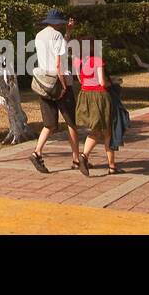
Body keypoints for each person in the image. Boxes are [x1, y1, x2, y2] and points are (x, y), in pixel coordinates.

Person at [29, 9, 81, 173]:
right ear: (57, 22)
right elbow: (59, 63)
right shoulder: (56, 36)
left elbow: (57, 50)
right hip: (59, 82)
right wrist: (64, 85)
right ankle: (76, 159)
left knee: (49, 124)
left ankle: (37, 152)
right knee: (71, 123)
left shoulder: (39, 36)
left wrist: (68, 32)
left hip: (45, 82)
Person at [74, 36, 118, 176]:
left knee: (97, 129)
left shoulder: (77, 61)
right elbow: (102, 82)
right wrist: (114, 82)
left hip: (85, 96)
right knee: (106, 131)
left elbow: (81, 79)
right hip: (99, 97)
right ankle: (86, 157)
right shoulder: (97, 60)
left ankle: (111, 166)